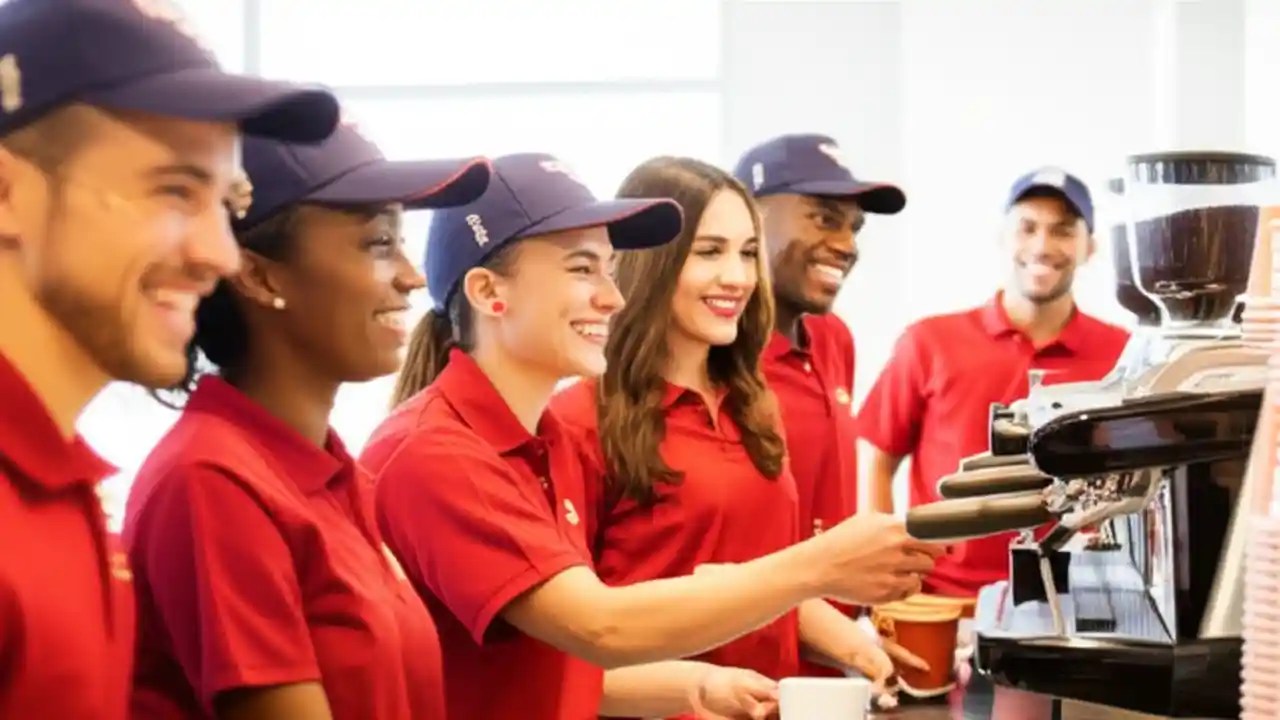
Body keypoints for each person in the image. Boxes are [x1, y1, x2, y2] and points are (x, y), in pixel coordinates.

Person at [363, 153, 943, 720]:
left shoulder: (545, 440)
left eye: (610, 270)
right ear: (491, 292)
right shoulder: (435, 452)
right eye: (582, 269)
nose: (613, 297)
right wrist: (819, 567)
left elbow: (558, 666)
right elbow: (598, 626)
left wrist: (698, 684)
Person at [0, 0, 338, 717]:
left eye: (225, 202)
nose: (219, 254)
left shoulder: (66, 489)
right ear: (7, 193)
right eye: (174, 191)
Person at [122, 123, 490, 719]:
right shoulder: (213, 483)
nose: (412, 275)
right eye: (377, 243)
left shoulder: (331, 475)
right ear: (259, 275)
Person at [550, 156, 924, 715]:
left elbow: (760, 577)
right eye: (709, 251)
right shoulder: (577, 421)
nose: (739, 276)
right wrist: (695, 686)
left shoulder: (753, 409)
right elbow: (568, 653)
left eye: (747, 252)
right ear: (651, 261)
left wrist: (855, 646)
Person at [858, 168, 1131, 598]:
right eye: (1027, 228)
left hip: (1078, 598)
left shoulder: (1124, 355)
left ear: (1089, 247)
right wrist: (889, 579)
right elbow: (878, 457)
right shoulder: (930, 341)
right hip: (942, 600)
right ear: (1003, 237)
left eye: (1062, 230)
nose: (1042, 246)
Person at [732, 134, 906, 677]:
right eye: (824, 218)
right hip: (737, 666)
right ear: (750, 220)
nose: (847, 243)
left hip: (826, 661)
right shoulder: (714, 358)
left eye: (854, 227)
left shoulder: (834, 340)